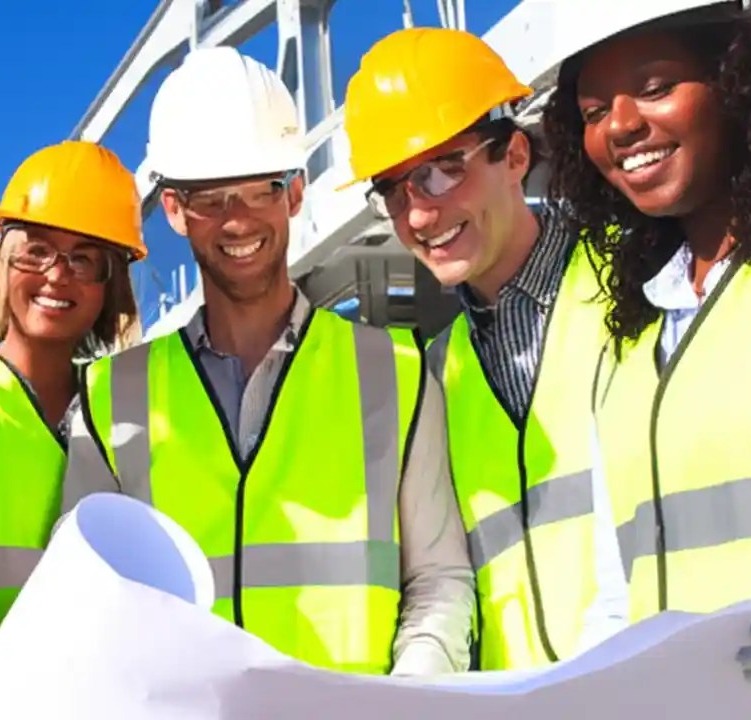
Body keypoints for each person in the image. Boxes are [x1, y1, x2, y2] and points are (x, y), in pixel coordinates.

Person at [62, 45, 474, 676]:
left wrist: (406, 699)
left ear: (297, 193)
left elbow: (439, 579)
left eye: (261, 190)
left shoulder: (398, 371)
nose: (238, 220)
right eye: (209, 198)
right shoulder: (110, 395)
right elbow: (92, 609)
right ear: (172, 210)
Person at [540, 0, 751, 702]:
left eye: (656, 87)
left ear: (740, 79)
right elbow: (615, 586)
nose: (622, 126)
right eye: (595, 112)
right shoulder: (631, 335)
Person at [338, 27, 615, 671]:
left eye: (443, 170)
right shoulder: (432, 373)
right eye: (395, 189)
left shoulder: (637, 292)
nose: (420, 216)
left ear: (515, 156)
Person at [0, 139, 145, 664]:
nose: (56, 274)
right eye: (37, 250)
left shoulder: (133, 409)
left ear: (110, 285)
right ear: (4, 260)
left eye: (85, 259)